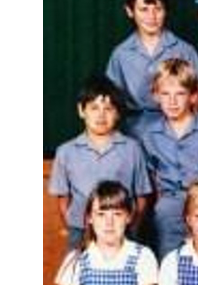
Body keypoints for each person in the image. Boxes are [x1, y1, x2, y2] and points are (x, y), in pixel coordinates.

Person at [139, 59, 198, 258]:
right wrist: (160, 208)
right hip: (169, 210)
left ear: (193, 96)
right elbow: (153, 181)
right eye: (165, 94)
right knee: (169, 264)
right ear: (156, 95)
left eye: (180, 94)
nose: (172, 101)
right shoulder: (149, 135)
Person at [48, 75, 152, 249]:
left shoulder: (132, 149)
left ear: (118, 113)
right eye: (94, 108)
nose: (101, 115)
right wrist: (74, 228)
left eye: (109, 108)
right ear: (81, 111)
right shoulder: (66, 152)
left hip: (122, 231)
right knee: (79, 274)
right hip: (80, 232)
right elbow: (63, 199)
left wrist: (131, 227)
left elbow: (141, 197)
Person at [106, 0, 198, 138]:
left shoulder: (185, 50)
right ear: (130, 11)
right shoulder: (120, 54)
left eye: (158, 9)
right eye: (144, 9)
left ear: (166, 11)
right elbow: (113, 103)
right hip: (135, 134)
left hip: (177, 131)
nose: (151, 16)